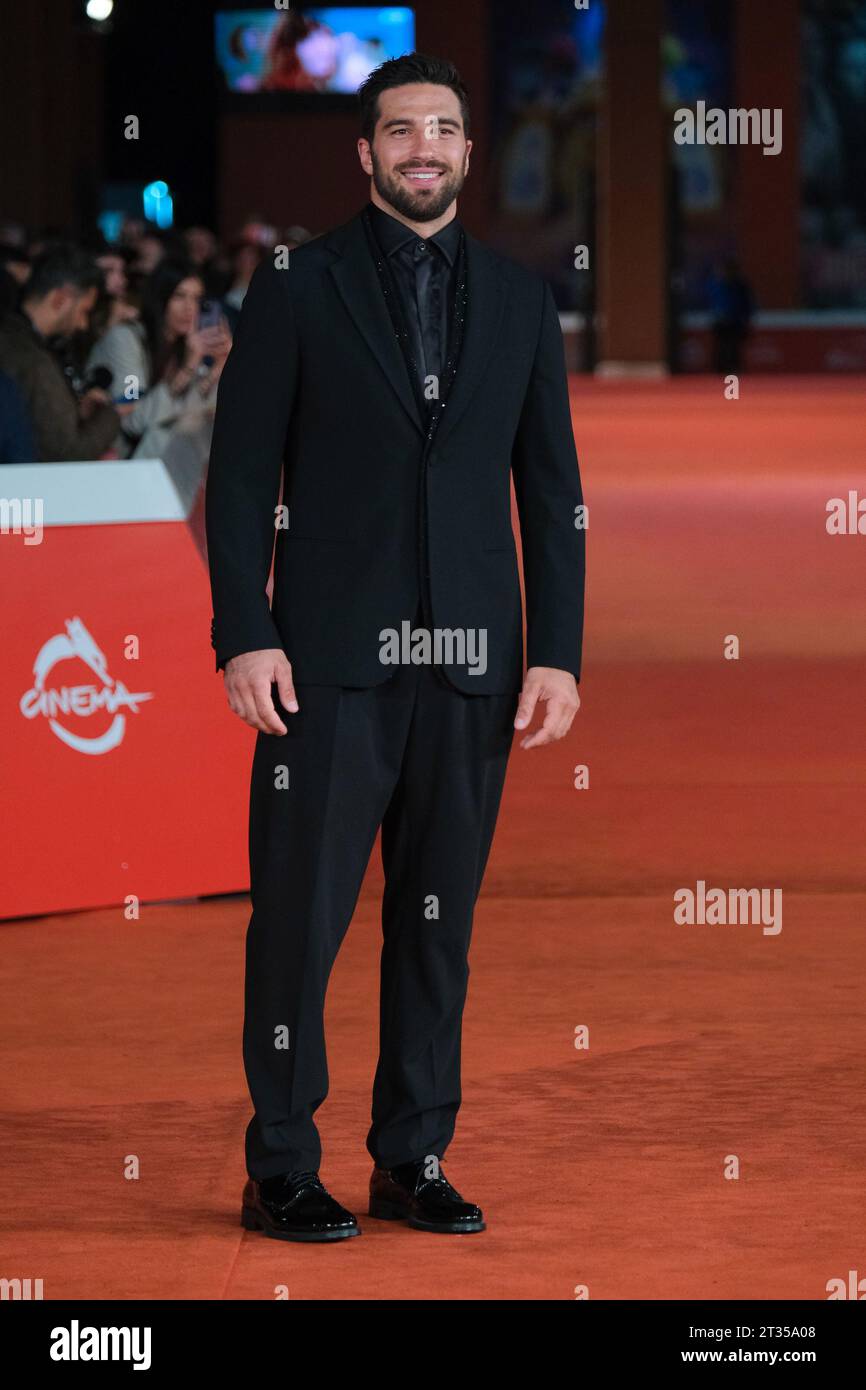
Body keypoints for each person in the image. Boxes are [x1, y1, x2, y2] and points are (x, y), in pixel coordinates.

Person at [206, 52, 585, 1243]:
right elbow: (235, 481)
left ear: (469, 154)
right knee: (298, 922)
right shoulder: (295, 287)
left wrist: (556, 650)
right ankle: (281, 1163)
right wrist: (242, 632)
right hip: (325, 665)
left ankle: (411, 1154)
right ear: (362, 152)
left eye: (442, 128)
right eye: (399, 128)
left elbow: (551, 490)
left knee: (435, 928)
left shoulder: (523, 301)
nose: (422, 145)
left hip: (471, 668)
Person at [86, 258, 231, 458]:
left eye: (196, 299)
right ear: (161, 298)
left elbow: (198, 411)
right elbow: (132, 419)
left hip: (156, 459)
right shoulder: (125, 339)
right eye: (180, 296)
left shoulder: (184, 344)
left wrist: (219, 367)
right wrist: (188, 368)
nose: (190, 308)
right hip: (112, 458)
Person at [0, 243, 119, 462]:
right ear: (60, 299)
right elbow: (70, 450)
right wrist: (112, 414)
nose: (83, 324)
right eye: (83, 311)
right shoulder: (33, 360)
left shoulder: (15, 336)